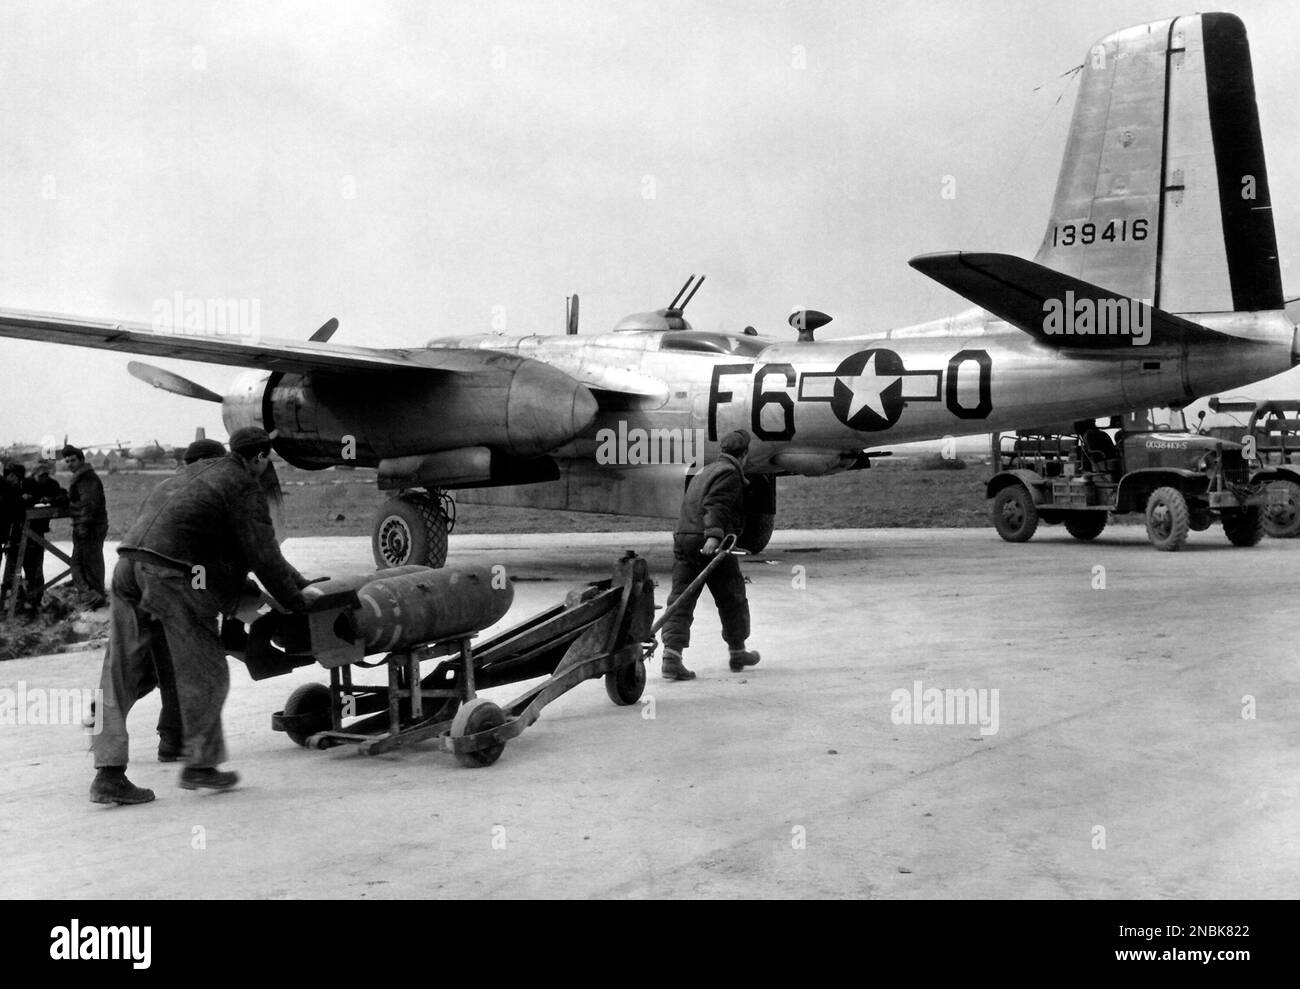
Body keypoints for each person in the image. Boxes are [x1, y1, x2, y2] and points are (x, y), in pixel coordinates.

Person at [89, 427, 320, 805]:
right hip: (170, 574)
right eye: (268, 460)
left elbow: (249, 553)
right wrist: (300, 601)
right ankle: (200, 766)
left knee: (118, 676)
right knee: (207, 673)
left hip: (127, 567)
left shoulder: (187, 475)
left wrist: (298, 583)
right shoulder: (242, 484)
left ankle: (108, 774)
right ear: (260, 457)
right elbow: (264, 556)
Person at [659, 429, 761, 680]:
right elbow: (715, 504)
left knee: (681, 599)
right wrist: (714, 536)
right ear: (744, 454)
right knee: (732, 597)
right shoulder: (729, 473)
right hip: (708, 543)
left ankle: (671, 656)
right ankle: (738, 651)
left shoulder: (705, 470)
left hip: (684, 538)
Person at [18, 459, 68, 615]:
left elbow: (63, 496)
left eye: (46, 475)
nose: (44, 478)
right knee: (25, 567)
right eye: (41, 476)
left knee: (37, 566)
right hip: (21, 531)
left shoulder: (50, 484)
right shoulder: (25, 483)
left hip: (38, 530)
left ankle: (36, 599)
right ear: (34, 474)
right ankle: (24, 599)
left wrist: (50, 500)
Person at [61, 444, 108, 607]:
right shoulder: (83, 477)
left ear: (81, 460)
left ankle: (94, 598)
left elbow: (89, 505)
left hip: (90, 526)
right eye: (67, 461)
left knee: (87, 562)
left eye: (73, 460)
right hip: (89, 525)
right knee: (85, 562)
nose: (70, 464)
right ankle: (93, 595)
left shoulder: (86, 478)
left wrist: (83, 527)